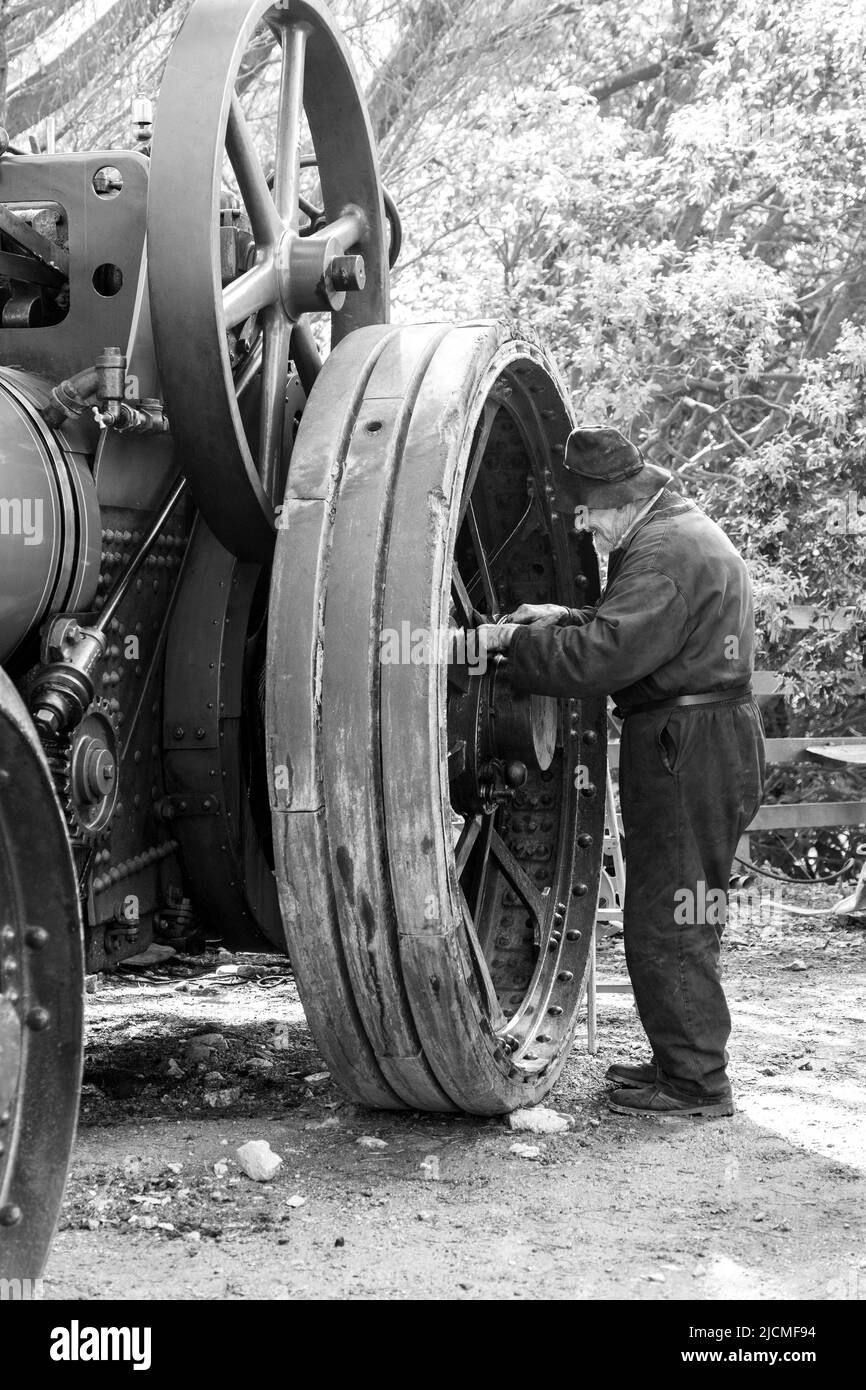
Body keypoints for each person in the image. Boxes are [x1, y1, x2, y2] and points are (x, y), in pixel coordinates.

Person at [478, 427, 765, 1118]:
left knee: (669, 913)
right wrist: (565, 614)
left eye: (593, 517)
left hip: (686, 744)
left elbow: (602, 660)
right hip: (700, 739)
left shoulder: (663, 553)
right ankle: (682, 1063)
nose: (591, 533)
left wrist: (512, 646)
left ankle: (697, 1084)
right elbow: (636, 626)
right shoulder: (674, 531)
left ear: (620, 502)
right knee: (679, 905)